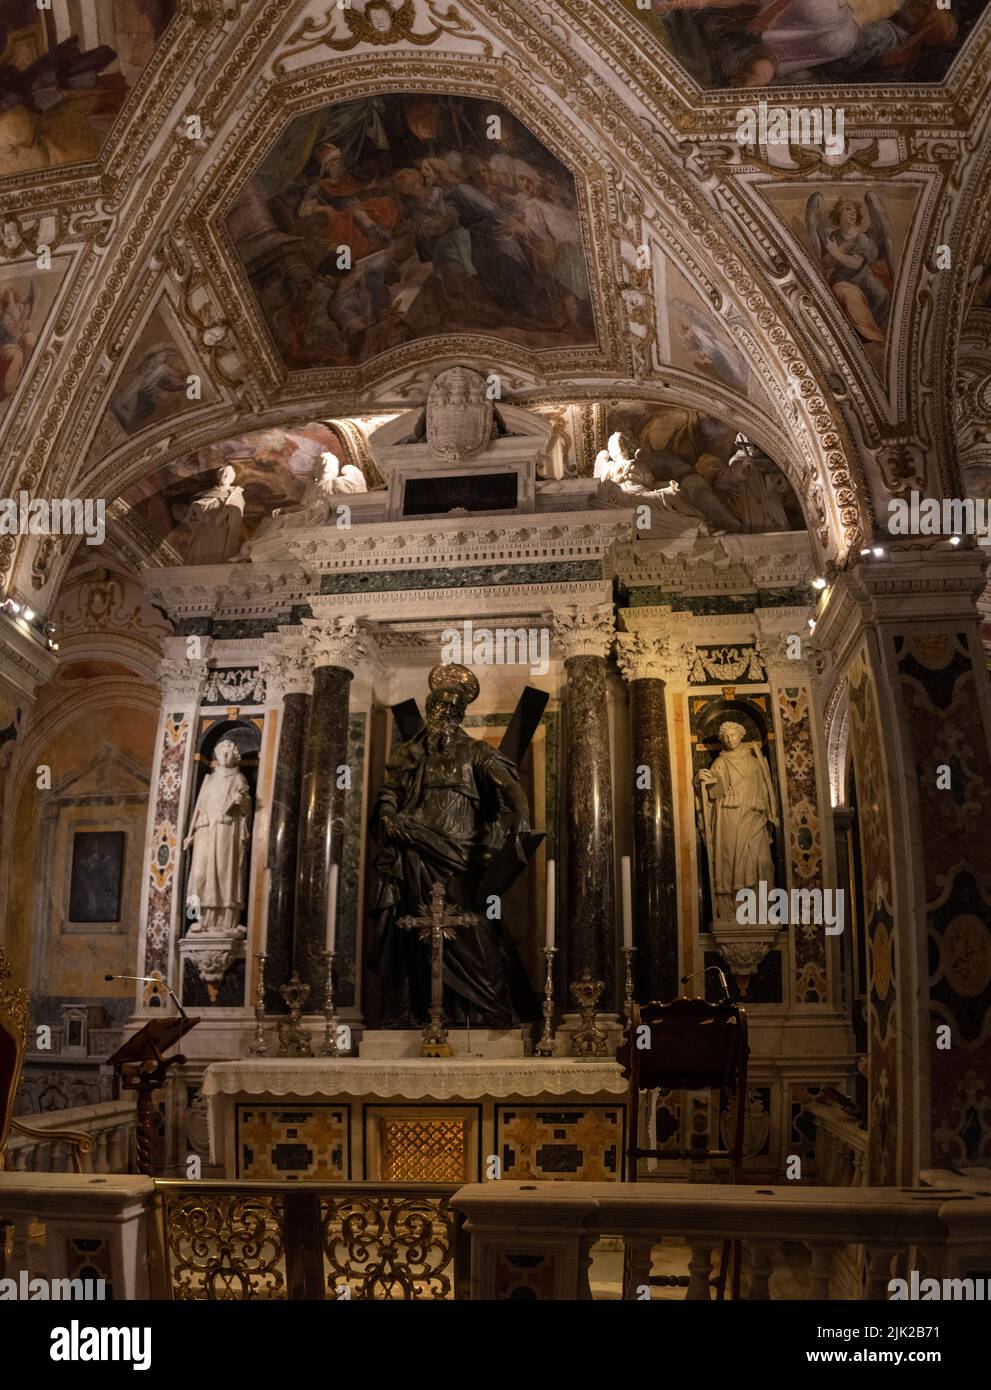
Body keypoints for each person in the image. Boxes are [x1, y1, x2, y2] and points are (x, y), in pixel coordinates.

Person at [367, 663, 537, 1028]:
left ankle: (483, 1007)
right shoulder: (413, 753)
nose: (440, 716)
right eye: (435, 709)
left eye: (447, 710)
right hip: (414, 849)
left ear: (459, 714)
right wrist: (386, 813)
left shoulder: (476, 752)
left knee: (469, 930)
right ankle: (418, 1010)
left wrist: (512, 831)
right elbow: (390, 791)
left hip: (460, 854)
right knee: (416, 929)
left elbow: (512, 793)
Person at [697, 720, 778, 921]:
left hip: (753, 816)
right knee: (731, 863)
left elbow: (765, 789)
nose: (729, 739)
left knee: (762, 860)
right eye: (725, 737)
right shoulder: (720, 763)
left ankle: (761, 909)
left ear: (741, 735)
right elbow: (710, 794)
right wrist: (699, 780)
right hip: (729, 818)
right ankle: (732, 910)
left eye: (732, 734)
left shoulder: (754, 760)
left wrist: (769, 813)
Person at [183, 740, 253, 936]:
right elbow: (199, 808)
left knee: (224, 875)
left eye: (230, 751)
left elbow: (247, 808)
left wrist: (242, 802)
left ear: (236, 756)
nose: (225, 754)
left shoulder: (239, 778)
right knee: (198, 875)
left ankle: (227, 923)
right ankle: (195, 918)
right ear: (216, 753)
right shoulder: (208, 779)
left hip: (226, 831)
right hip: (204, 831)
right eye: (222, 750)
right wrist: (192, 836)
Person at [185, 465, 246, 564]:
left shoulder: (235, 494)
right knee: (199, 548)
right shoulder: (209, 492)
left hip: (221, 528)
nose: (224, 477)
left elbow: (238, 509)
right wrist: (199, 511)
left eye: (227, 475)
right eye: (223, 474)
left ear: (232, 479)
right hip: (204, 527)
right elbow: (197, 506)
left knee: (216, 548)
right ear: (219, 476)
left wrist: (228, 513)